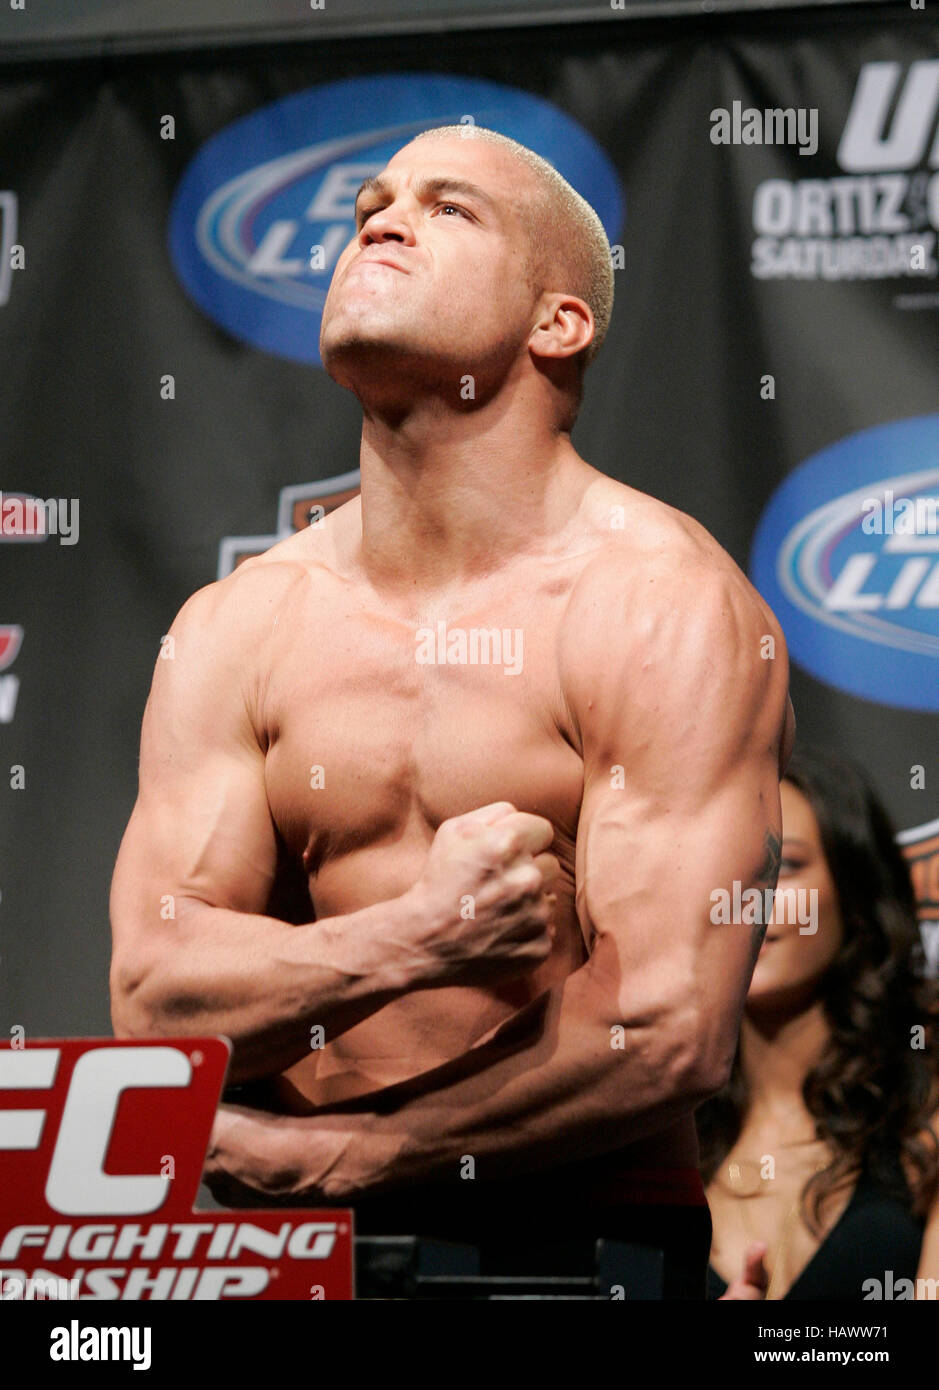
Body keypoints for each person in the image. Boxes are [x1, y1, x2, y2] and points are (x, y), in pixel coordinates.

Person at [109, 125, 794, 1298]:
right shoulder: (237, 625)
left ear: (557, 323)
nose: (380, 218)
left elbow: (671, 1023)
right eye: (371, 202)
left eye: (448, 208)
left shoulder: (657, 602)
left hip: (575, 1259)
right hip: (296, 1263)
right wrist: (411, 936)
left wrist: (364, 1156)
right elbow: (156, 997)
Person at [698, 746, 939, 1301]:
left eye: (784, 868)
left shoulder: (924, 1109)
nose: (750, 900)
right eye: (726, 872)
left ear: (854, 898)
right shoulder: (661, 1131)